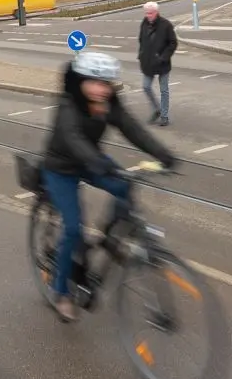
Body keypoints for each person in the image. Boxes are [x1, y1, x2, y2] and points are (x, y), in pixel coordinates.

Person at [40, 51, 176, 322]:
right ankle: (61, 292)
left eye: (106, 83)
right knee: (72, 228)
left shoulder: (108, 102)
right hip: (61, 168)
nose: (101, 89)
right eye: (94, 82)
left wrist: (162, 154)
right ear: (81, 80)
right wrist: (99, 163)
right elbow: (73, 138)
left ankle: (109, 238)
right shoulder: (69, 103)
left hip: (91, 161)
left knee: (125, 186)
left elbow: (132, 128)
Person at [137, 1, 177, 126]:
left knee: (164, 90)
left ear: (156, 12)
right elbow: (141, 39)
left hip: (162, 64)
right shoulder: (144, 23)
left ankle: (164, 116)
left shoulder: (166, 25)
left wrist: (164, 57)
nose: (148, 15)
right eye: (146, 13)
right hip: (148, 62)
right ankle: (157, 109)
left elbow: (173, 43)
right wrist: (141, 54)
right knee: (146, 86)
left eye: (150, 13)